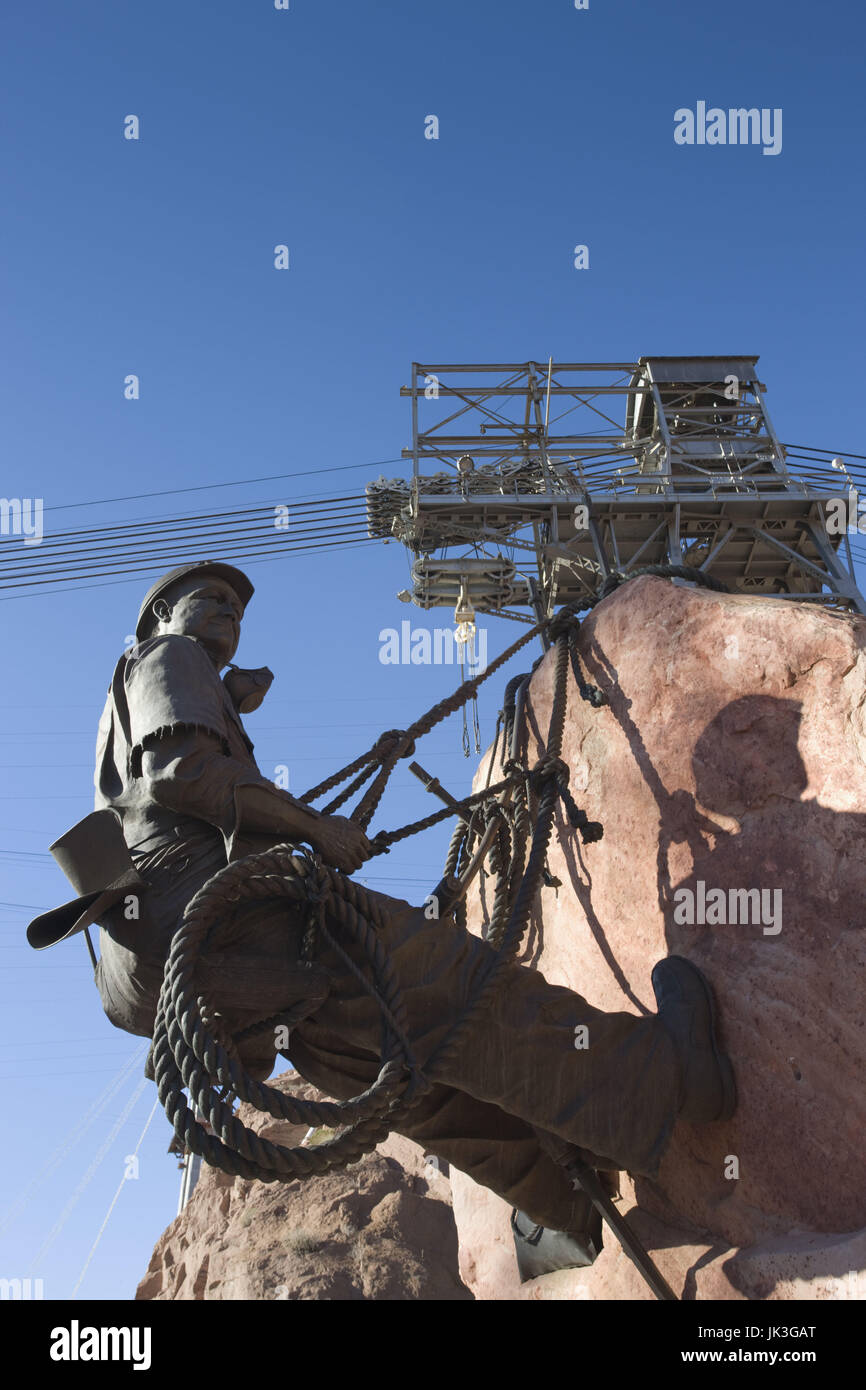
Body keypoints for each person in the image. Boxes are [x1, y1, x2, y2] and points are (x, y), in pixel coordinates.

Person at [29, 560, 735, 1249]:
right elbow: (185, 774)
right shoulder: (166, 654)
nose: (227, 613)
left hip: (183, 969)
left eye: (236, 609)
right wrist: (316, 830)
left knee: (403, 1078)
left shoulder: (146, 694)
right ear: (160, 616)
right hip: (236, 921)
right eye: (209, 598)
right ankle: (669, 1075)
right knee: (457, 986)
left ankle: (558, 1202)